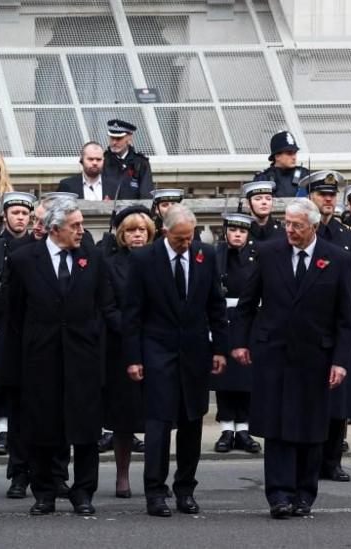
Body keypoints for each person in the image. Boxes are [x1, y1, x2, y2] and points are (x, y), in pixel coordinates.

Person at [232, 198, 351, 518]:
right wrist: (240, 343)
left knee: (312, 429)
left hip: (317, 358)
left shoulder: (337, 259)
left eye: (297, 225)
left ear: (313, 227)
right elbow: (247, 303)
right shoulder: (270, 253)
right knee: (277, 428)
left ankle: (304, 494)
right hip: (274, 354)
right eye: (286, 223)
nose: (289, 230)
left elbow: (345, 318)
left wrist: (341, 361)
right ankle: (279, 495)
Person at [5, 196, 116, 516]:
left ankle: (83, 492)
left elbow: (104, 306)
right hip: (40, 358)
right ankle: (45, 492)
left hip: (83, 358)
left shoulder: (92, 259)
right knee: (43, 429)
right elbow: (15, 314)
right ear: (55, 229)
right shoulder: (25, 259)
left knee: (84, 430)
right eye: (75, 226)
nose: (81, 231)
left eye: (82, 224)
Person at [123, 203, 228, 518]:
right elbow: (132, 314)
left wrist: (220, 349)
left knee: (192, 423)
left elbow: (216, 306)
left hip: (195, 352)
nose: (187, 243)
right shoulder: (143, 259)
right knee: (158, 425)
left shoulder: (204, 255)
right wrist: (134, 358)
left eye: (191, 237)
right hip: (157, 350)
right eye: (181, 238)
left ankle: (185, 489)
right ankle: (155, 492)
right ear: (165, 232)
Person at [302, 170, 351, 482]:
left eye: (332, 195)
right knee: (309, 398)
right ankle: (309, 457)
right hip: (307, 326)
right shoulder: (300, 232)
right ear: (309, 196)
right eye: (322, 194)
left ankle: (332, 460)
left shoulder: (348, 235)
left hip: (337, 326)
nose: (328, 199)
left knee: (339, 399)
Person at [0, 192, 36, 495]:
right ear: (4, 215)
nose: (20, 217)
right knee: (12, 403)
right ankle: (18, 472)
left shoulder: (37, 248)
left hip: (33, 334)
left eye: (24, 213)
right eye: (14, 212)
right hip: (4, 331)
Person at [102, 205, 155, 499]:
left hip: (156, 346)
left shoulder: (158, 261)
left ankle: (156, 477)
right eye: (132, 231)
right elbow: (109, 307)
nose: (137, 235)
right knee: (123, 417)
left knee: (157, 416)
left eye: (143, 231)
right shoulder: (111, 265)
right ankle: (122, 476)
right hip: (122, 349)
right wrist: (133, 333)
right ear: (122, 234)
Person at [211, 213, 262, 455]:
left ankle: (244, 428)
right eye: (233, 230)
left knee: (246, 376)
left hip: (248, 319)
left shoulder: (257, 256)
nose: (238, 235)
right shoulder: (216, 255)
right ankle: (227, 428)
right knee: (224, 377)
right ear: (226, 232)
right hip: (223, 319)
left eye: (242, 231)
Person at [102, 120, 153, 200]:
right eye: (112, 138)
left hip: (132, 211)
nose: (114, 142)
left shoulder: (140, 162)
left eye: (119, 138)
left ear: (129, 138)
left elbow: (146, 195)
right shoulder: (102, 160)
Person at [253, 131, 310, 198]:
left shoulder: (304, 174)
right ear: (277, 156)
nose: (294, 157)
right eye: (289, 154)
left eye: (295, 153)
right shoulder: (263, 177)